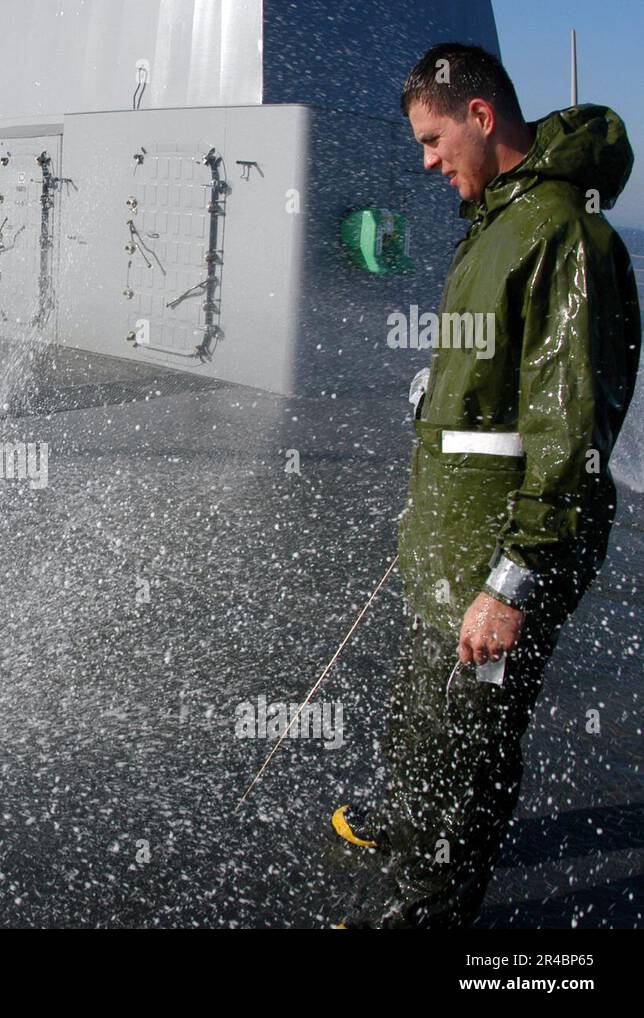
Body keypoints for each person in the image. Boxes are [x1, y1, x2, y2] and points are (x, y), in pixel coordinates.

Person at [332, 42, 639, 928]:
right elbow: (500, 363)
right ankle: (408, 827)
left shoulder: (564, 234)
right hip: (453, 535)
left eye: (433, 141)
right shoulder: (498, 220)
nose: (427, 163)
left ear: (480, 115)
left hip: (502, 551)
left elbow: (571, 424)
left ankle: (432, 906)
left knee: (468, 745)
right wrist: (444, 388)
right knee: (419, 711)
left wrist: (513, 579)